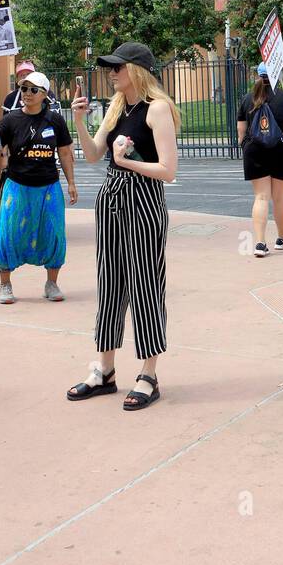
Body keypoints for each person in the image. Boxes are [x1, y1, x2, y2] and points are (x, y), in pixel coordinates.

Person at [67, 41, 179, 411]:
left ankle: (148, 375)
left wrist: (128, 163)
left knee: (145, 284)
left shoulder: (157, 108)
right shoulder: (118, 107)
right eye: (110, 67)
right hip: (112, 197)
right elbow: (94, 155)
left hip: (143, 201)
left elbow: (168, 171)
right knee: (110, 282)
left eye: (117, 67)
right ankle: (105, 370)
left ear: (136, 70)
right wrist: (80, 121)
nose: (111, 73)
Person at [0, 72, 77, 304]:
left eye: (33, 90)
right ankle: (5, 285)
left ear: (44, 94)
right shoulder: (11, 120)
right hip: (17, 187)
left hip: (48, 187)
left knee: (53, 234)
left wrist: (71, 182)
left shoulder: (55, 120)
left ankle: (51, 283)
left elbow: (65, 152)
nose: (26, 94)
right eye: (23, 89)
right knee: (8, 234)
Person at [237, 65, 283, 257]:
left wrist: (246, 147)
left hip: (255, 150)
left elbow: (241, 132)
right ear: (277, 74)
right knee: (279, 197)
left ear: (256, 75)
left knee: (261, 197)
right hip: (282, 149)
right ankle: (282, 239)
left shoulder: (247, 99)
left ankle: (259, 243)